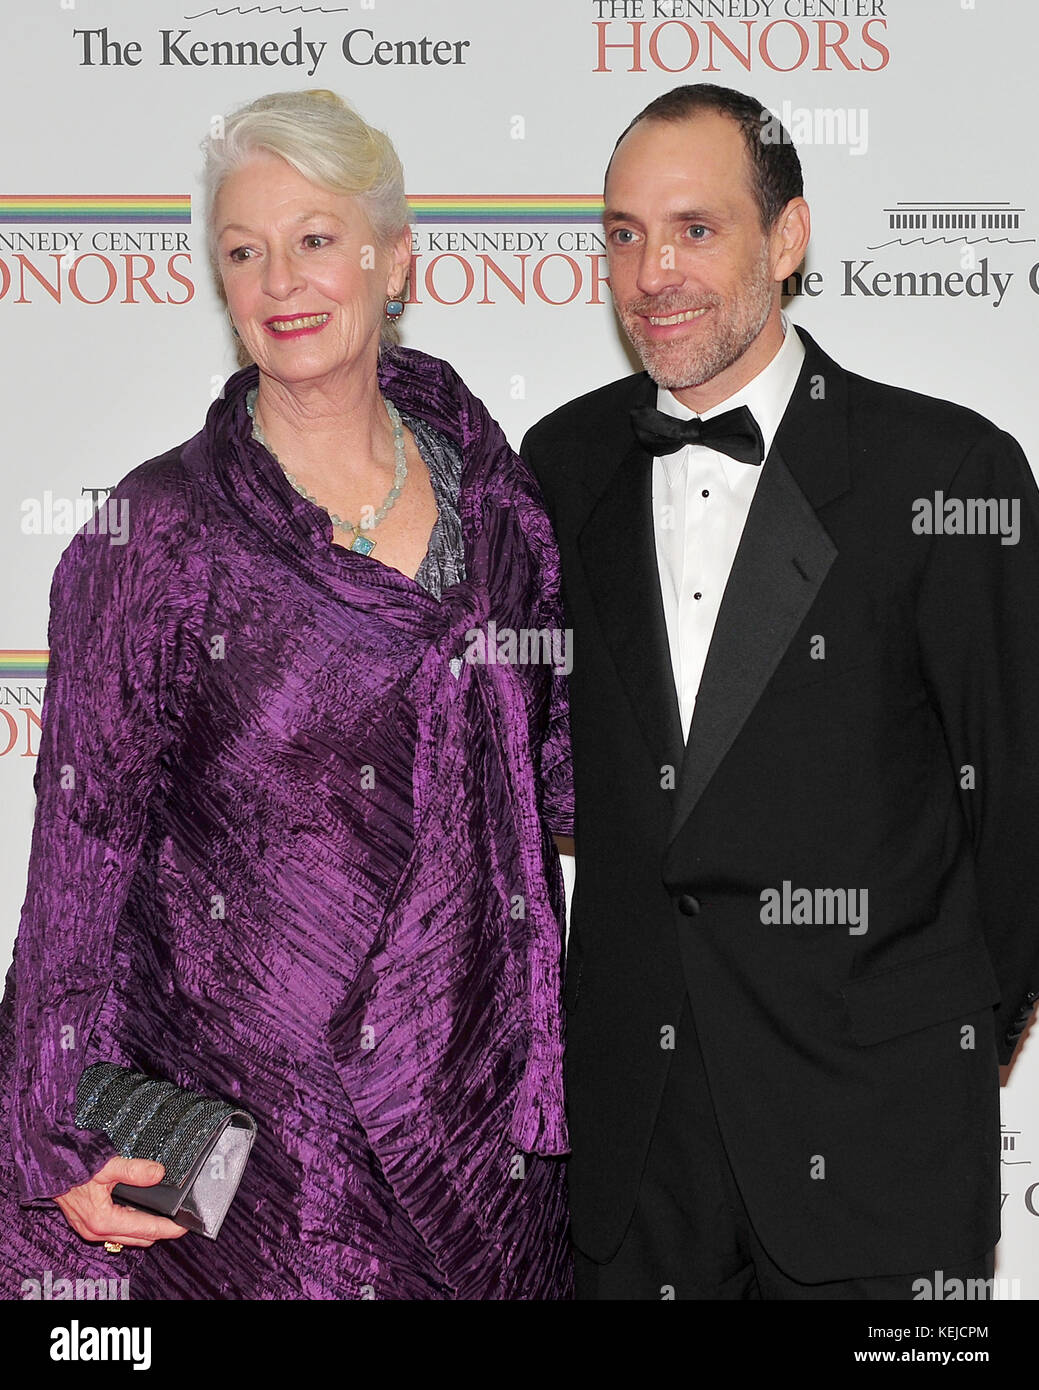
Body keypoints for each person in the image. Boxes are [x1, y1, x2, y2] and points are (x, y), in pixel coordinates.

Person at [0, 88, 573, 1300]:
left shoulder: (498, 502)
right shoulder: (150, 536)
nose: (279, 282)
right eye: (244, 252)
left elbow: (570, 769)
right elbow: (78, 863)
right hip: (252, 1155)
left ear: (391, 255)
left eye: (313, 239)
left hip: (480, 1133)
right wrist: (54, 1136)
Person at [521, 82, 1039, 1300]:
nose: (652, 272)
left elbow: (1017, 811)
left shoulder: (948, 471)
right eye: (623, 233)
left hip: (881, 1160)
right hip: (633, 1167)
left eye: (695, 229)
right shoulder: (557, 465)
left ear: (787, 238)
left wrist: (934, 1056)